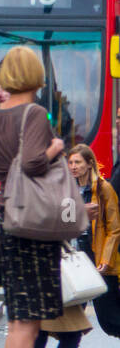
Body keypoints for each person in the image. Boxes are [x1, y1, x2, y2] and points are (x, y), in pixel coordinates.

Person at [0, 45, 66, 348]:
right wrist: (56, 147)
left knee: (20, 321)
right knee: (25, 326)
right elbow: (32, 163)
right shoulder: (33, 114)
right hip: (32, 227)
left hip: (8, 220)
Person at [68, 144, 120, 336]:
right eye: (71, 162)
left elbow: (114, 229)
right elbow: (65, 223)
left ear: (89, 164)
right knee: (72, 315)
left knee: (110, 320)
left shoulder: (104, 189)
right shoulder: (68, 190)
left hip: (97, 257)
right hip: (75, 258)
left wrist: (106, 260)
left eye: (78, 162)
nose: (73, 166)